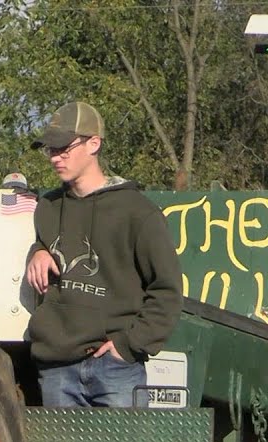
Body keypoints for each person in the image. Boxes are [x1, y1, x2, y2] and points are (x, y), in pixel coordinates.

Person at [24, 101, 182, 408]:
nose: (56, 157)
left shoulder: (138, 212)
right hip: (57, 368)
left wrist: (128, 346)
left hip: (115, 368)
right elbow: (45, 242)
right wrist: (38, 251)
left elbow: (167, 291)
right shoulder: (47, 207)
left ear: (94, 143)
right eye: (50, 150)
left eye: (64, 148)